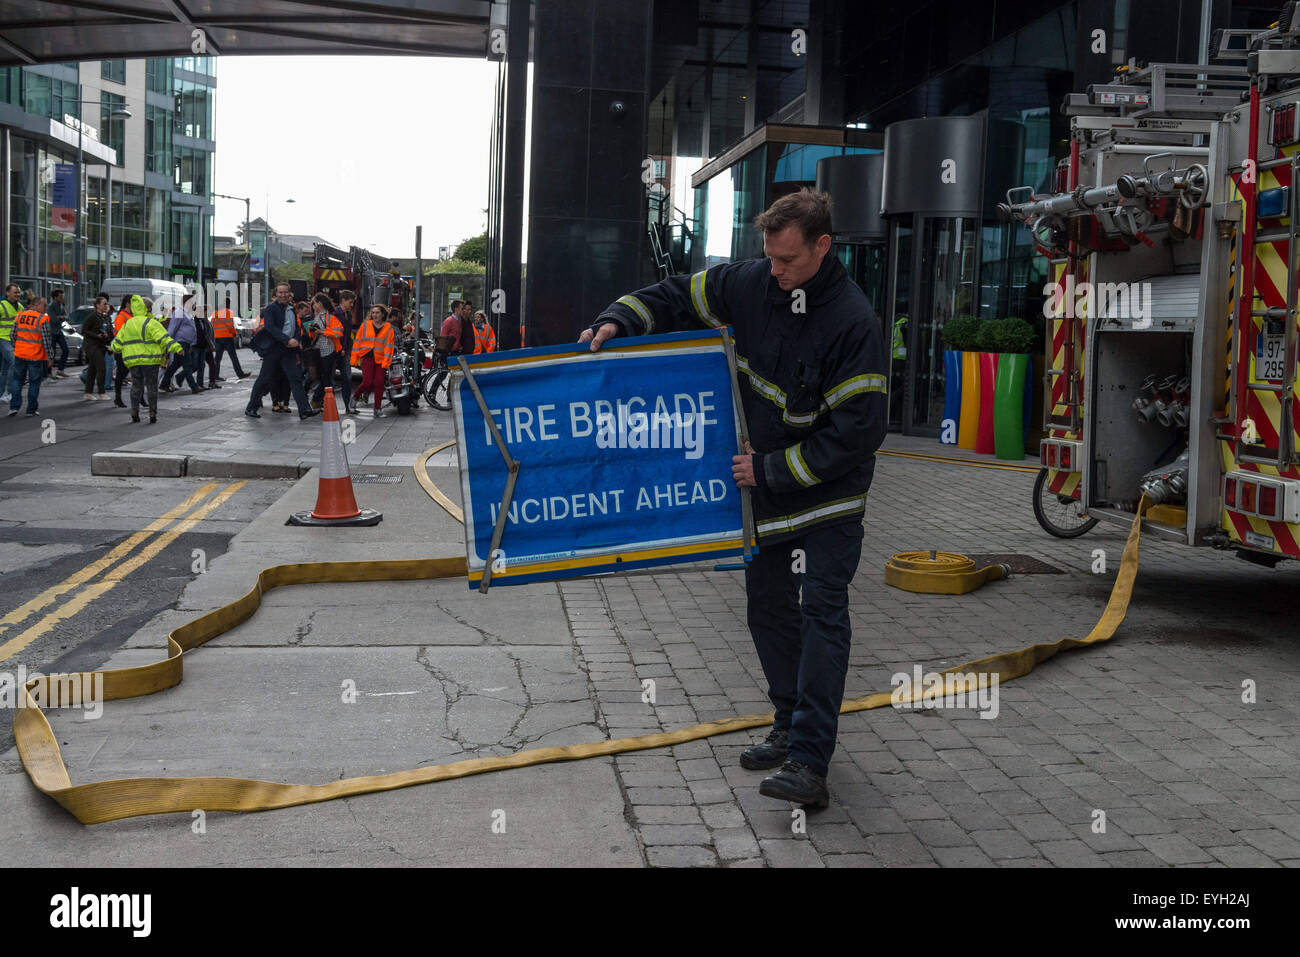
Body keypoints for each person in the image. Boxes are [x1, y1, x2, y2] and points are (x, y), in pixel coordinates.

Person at [579, 189, 888, 809]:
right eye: (770, 259)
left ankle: (808, 762)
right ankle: (786, 721)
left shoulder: (854, 322)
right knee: (769, 612)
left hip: (825, 504)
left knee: (822, 612)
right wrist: (619, 318)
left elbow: (859, 431)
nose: (776, 273)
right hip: (766, 498)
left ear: (823, 247)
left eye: (789, 261)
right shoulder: (751, 284)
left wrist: (772, 470)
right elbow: (674, 294)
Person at [246, 282, 319, 420]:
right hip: (274, 349)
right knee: (263, 379)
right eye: (280, 292)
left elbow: (297, 327)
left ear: (289, 294)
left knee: (296, 379)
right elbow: (270, 327)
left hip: (289, 351)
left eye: (285, 292)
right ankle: (251, 408)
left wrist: (296, 340)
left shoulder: (291, 309)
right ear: (276, 294)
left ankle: (304, 410)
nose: (283, 295)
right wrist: (287, 340)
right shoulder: (271, 309)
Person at [111, 294, 183, 424]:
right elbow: (163, 338)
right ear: (146, 308)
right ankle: (152, 414)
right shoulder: (151, 323)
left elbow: (117, 342)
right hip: (150, 361)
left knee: (136, 386)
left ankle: (134, 412)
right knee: (151, 387)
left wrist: (113, 348)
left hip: (133, 361)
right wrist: (177, 347)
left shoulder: (129, 323)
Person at [7, 295, 52, 416]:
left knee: (17, 380)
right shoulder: (42, 319)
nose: (46, 307)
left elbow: (12, 335)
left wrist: (16, 347)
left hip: (20, 353)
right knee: (34, 382)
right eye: (44, 305)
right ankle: (30, 410)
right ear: (36, 305)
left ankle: (14, 407)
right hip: (35, 355)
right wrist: (50, 357)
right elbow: (46, 340)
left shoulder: (20, 316)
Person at [350, 303, 395, 417]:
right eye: (373, 313)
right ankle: (355, 397)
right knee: (367, 382)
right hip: (367, 357)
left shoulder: (388, 328)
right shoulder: (365, 325)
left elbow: (389, 347)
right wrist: (354, 359)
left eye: (377, 313)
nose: (374, 315)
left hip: (381, 360)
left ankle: (377, 409)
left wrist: (386, 362)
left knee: (379, 383)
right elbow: (357, 342)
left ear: (382, 314)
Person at [308, 292, 350, 412]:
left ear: (319, 303)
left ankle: (323, 401)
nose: (313, 305)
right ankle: (318, 400)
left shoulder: (331, 318)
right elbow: (311, 335)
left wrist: (322, 332)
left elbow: (338, 333)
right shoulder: (314, 317)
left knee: (326, 378)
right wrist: (312, 331)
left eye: (314, 303)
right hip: (316, 350)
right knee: (320, 377)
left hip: (328, 350)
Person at [161, 294, 202, 393]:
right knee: (187, 365)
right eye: (192, 301)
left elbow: (192, 329)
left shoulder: (188, 313)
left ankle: (164, 384)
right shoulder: (179, 312)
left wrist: (192, 343)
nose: (193, 303)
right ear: (187, 302)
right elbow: (172, 328)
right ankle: (194, 387)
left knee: (175, 365)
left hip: (186, 343)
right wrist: (168, 342)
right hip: (180, 343)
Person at [80, 294, 112, 400]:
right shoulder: (92, 316)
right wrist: (96, 335)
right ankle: (101, 392)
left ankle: (88, 393)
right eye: (104, 304)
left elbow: (109, 329)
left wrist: (108, 335)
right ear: (98, 305)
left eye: (107, 304)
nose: (106, 306)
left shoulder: (106, 316)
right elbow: (84, 330)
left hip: (101, 345)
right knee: (101, 367)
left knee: (92, 369)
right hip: (92, 345)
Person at [210, 297, 248, 379]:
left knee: (217, 358)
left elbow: (212, 323)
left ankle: (215, 375)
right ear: (228, 303)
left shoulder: (215, 313)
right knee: (233, 357)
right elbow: (230, 325)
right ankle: (240, 374)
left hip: (218, 338)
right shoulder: (228, 312)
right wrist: (234, 333)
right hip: (227, 337)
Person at [0, 283, 22, 402]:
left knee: (5, 368)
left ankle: (1, 394)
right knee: (14, 362)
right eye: (15, 292)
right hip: (3, 339)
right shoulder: (1, 305)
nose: (18, 294)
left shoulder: (19, 307)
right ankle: (9, 392)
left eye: (18, 292)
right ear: (7, 293)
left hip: (14, 341)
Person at [109, 296, 132, 407]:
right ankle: (118, 398)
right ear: (128, 304)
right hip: (122, 350)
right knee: (121, 375)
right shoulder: (121, 316)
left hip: (130, 350)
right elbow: (118, 334)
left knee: (132, 374)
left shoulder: (130, 315)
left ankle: (139, 398)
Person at [192, 305, 219, 389]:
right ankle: (181, 376)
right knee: (198, 366)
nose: (210, 312)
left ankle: (207, 383)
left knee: (203, 365)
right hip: (204, 346)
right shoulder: (201, 321)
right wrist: (211, 345)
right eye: (208, 311)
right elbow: (206, 335)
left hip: (205, 346)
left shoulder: (205, 320)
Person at [46, 289, 70, 378]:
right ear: (55, 298)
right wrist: (61, 317)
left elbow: (67, 317)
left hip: (58, 331)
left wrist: (61, 317)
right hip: (51, 331)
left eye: (62, 296)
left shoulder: (61, 306)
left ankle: (60, 370)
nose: (62, 298)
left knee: (66, 350)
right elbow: (54, 320)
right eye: (60, 297)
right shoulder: (51, 307)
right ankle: (48, 372)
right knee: (52, 352)